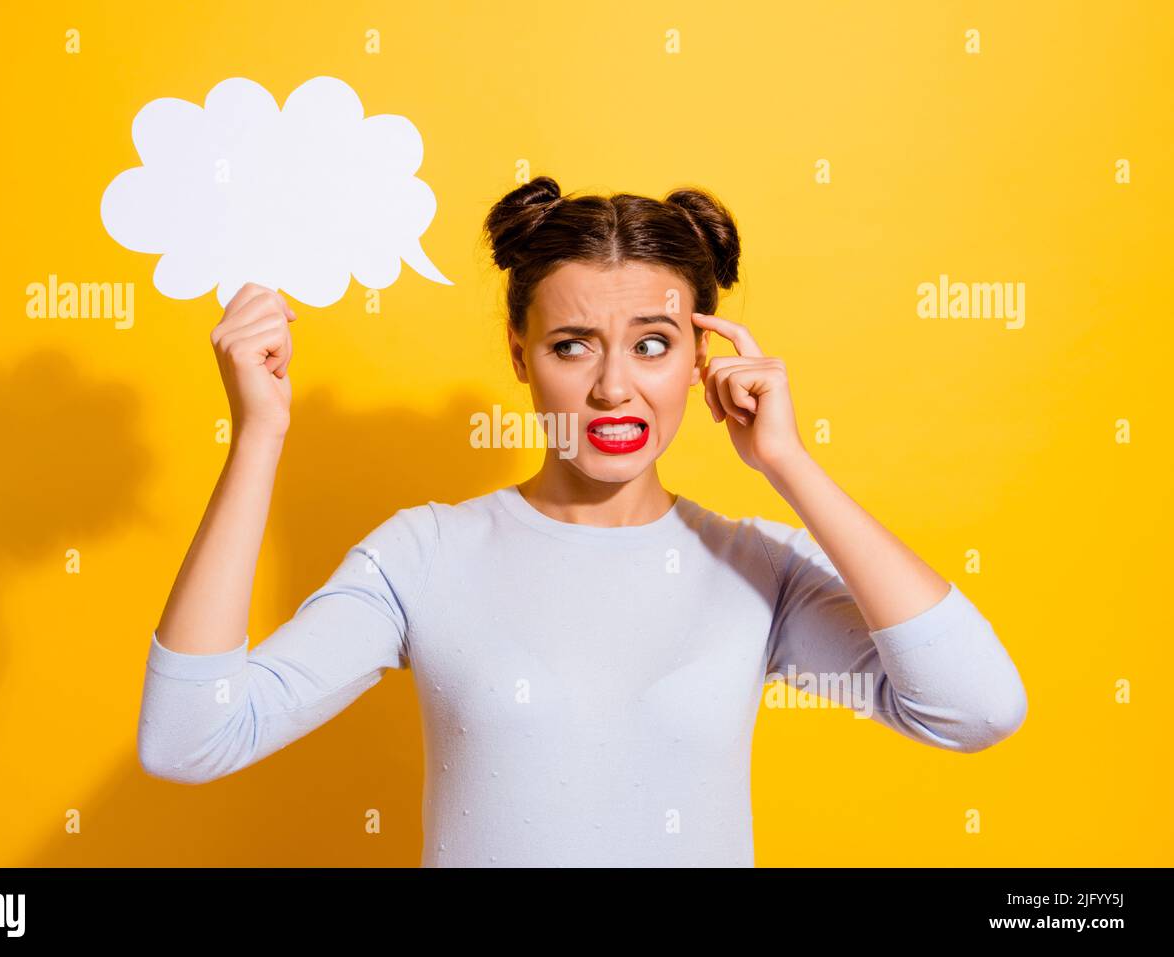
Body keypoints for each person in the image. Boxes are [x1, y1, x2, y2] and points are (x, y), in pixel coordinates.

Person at [136, 176, 1028, 867]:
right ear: (519, 354)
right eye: (572, 345)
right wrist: (259, 434)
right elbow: (191, 738)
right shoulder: (424, 554)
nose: (612, 386)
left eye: (652, 343)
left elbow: (976, 708)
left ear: (700, 360)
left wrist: (789, 464)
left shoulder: (760, 570)